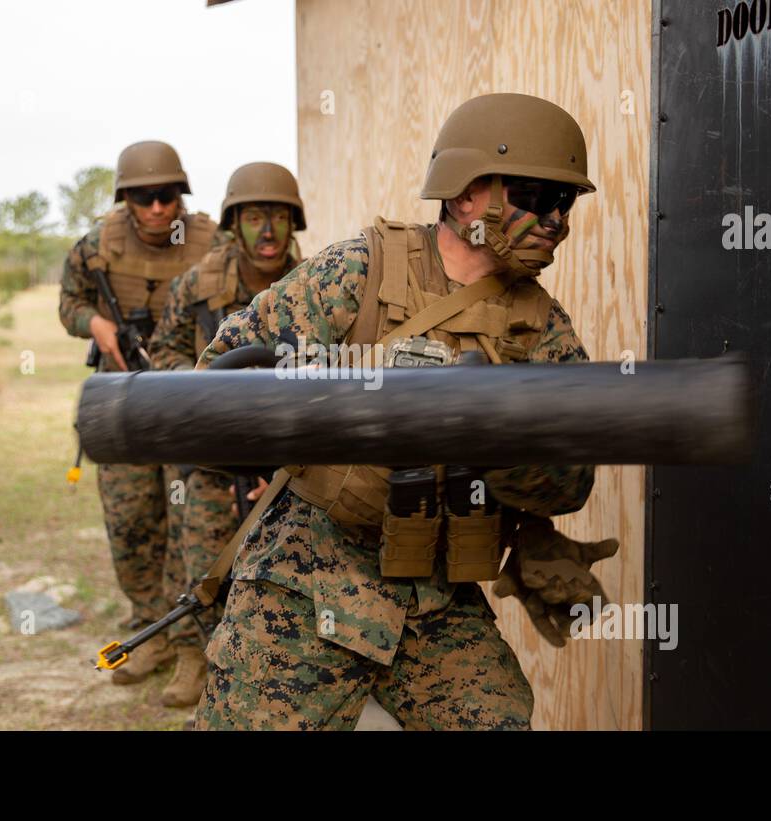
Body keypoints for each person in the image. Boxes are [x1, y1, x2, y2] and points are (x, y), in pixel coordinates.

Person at [192, 93, 618, 730]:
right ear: (465, 193)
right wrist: (356, 398)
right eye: (535, 195)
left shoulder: (539, 328)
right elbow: (217, 386)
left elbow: (570, 482)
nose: (554, 220)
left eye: (565, 202)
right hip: (307, 580)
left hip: (434, 597)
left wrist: (497, 440)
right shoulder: (360, 271)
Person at [146, 161, 307, 707]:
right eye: (255, 217)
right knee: (204, 553)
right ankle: (195, 654)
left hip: (292, 458)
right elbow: (163, 349)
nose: (268, 232)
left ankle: (270, 665)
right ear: (233, 224)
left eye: (279, 218)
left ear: (295, 222)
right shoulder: (200, 284)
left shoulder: (319, 286)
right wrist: (200, 390)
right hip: (215, 453)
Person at [58, 140, 218, 685]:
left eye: (166, 196)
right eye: (144, 198)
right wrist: (96, 327)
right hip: (123, 400)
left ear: (181, 196)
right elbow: (69, 303)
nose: (156, 208)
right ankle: (148, 630)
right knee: (129, 523)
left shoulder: (209, 242)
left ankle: (192, 647)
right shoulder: (96, 246)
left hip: (184, 400)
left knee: (191, 527)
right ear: (126, 199)